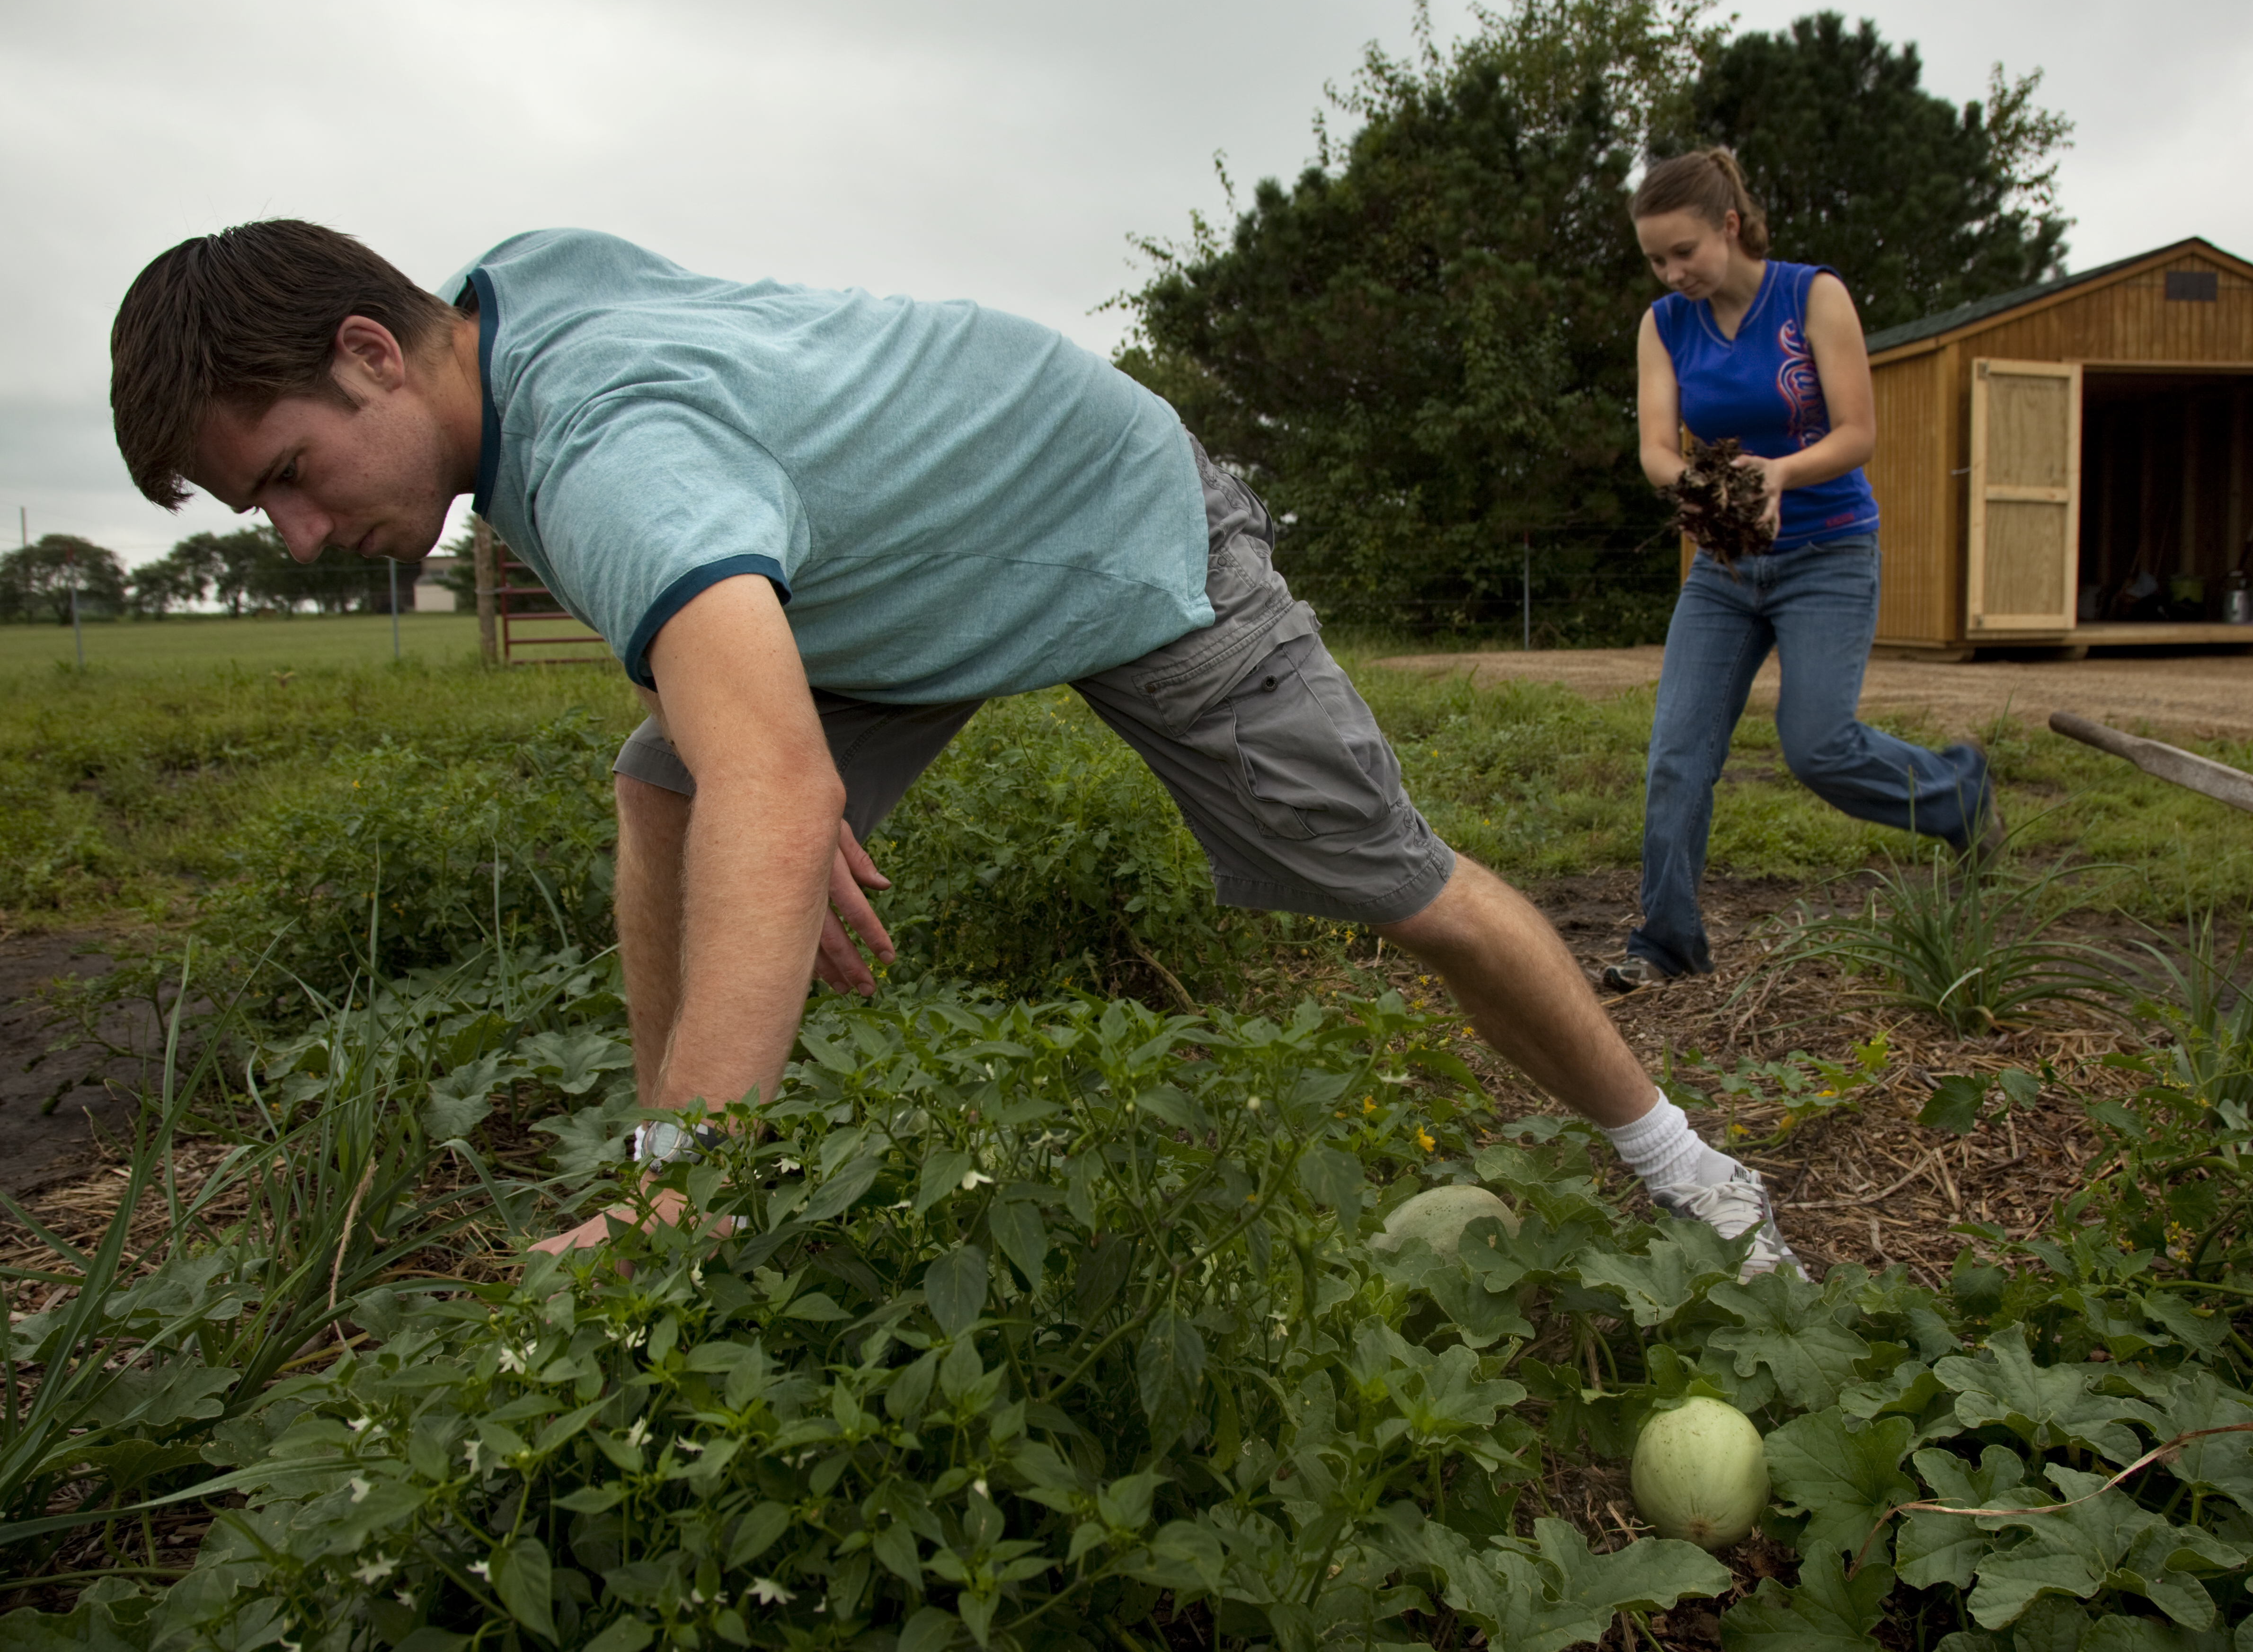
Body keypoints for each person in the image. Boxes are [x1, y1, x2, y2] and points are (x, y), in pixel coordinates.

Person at [108, 220, 1801, 1275]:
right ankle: (676, 1178)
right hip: (897, 576)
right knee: (662, 783)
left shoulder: (608, 453)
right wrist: (766, 760)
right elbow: (729, 757)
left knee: (1395, 885)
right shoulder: (503, 306)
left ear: (370, 352)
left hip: (1104, 526)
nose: (297, 533)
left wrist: (786, 775)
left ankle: (1690, 1171)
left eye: (283, 474)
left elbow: (773, 785)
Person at [1602, 151, 2000, 994]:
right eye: (1656, 260)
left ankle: (1957, 794)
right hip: (1726, 566)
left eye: (1684, 253)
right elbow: (1654, 451)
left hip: (1829, 553)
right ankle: (1665, 940)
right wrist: (1713, 490)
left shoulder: (1811, 296)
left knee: (1818, 747)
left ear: (1729, 227)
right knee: (1678, 755)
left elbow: (1858, 434)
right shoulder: (1664, 325)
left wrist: (1778, 474)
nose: (1672, 274)